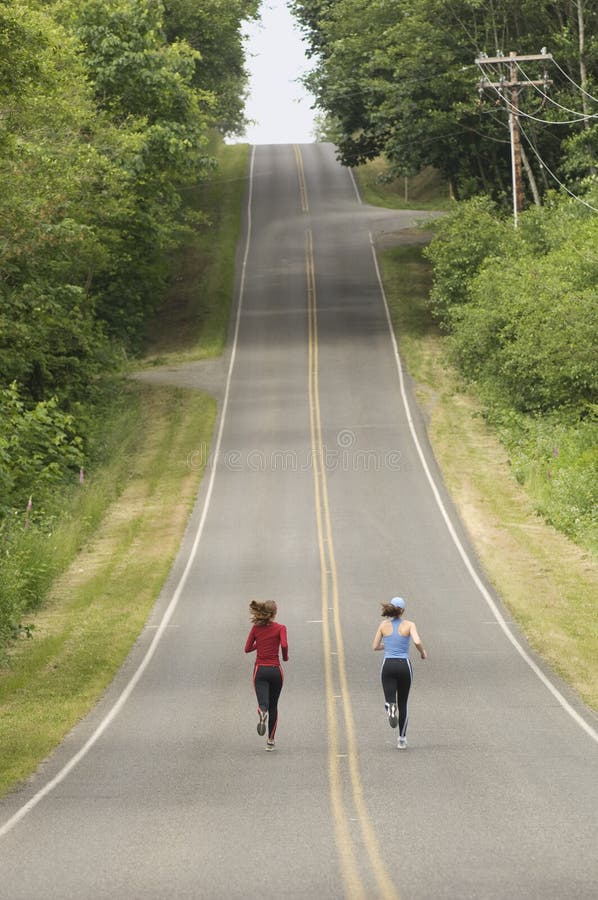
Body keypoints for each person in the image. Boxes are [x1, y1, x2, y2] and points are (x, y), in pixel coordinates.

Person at [372, 596, 426, 749]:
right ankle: (402, 739)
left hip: (388, 665)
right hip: (404, 666)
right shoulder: (409, 625)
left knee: (391, 699)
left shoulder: (383, 625)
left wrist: (388, 645)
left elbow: (375, 646)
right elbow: (416, 641)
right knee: (403, 703)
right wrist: (423, 652)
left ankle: (390, 707)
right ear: (403, 610)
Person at [244, 600, 288, 751]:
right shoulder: (281, 628)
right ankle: (270, 741)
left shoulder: (256, 628)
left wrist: (261, 643)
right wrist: (285, 657)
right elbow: (284, 645)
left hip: (260, 670)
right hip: (276, 671)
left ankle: (262, 712)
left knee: (264, 704)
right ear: (275, 613)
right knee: (274, 705)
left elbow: (247, 648)